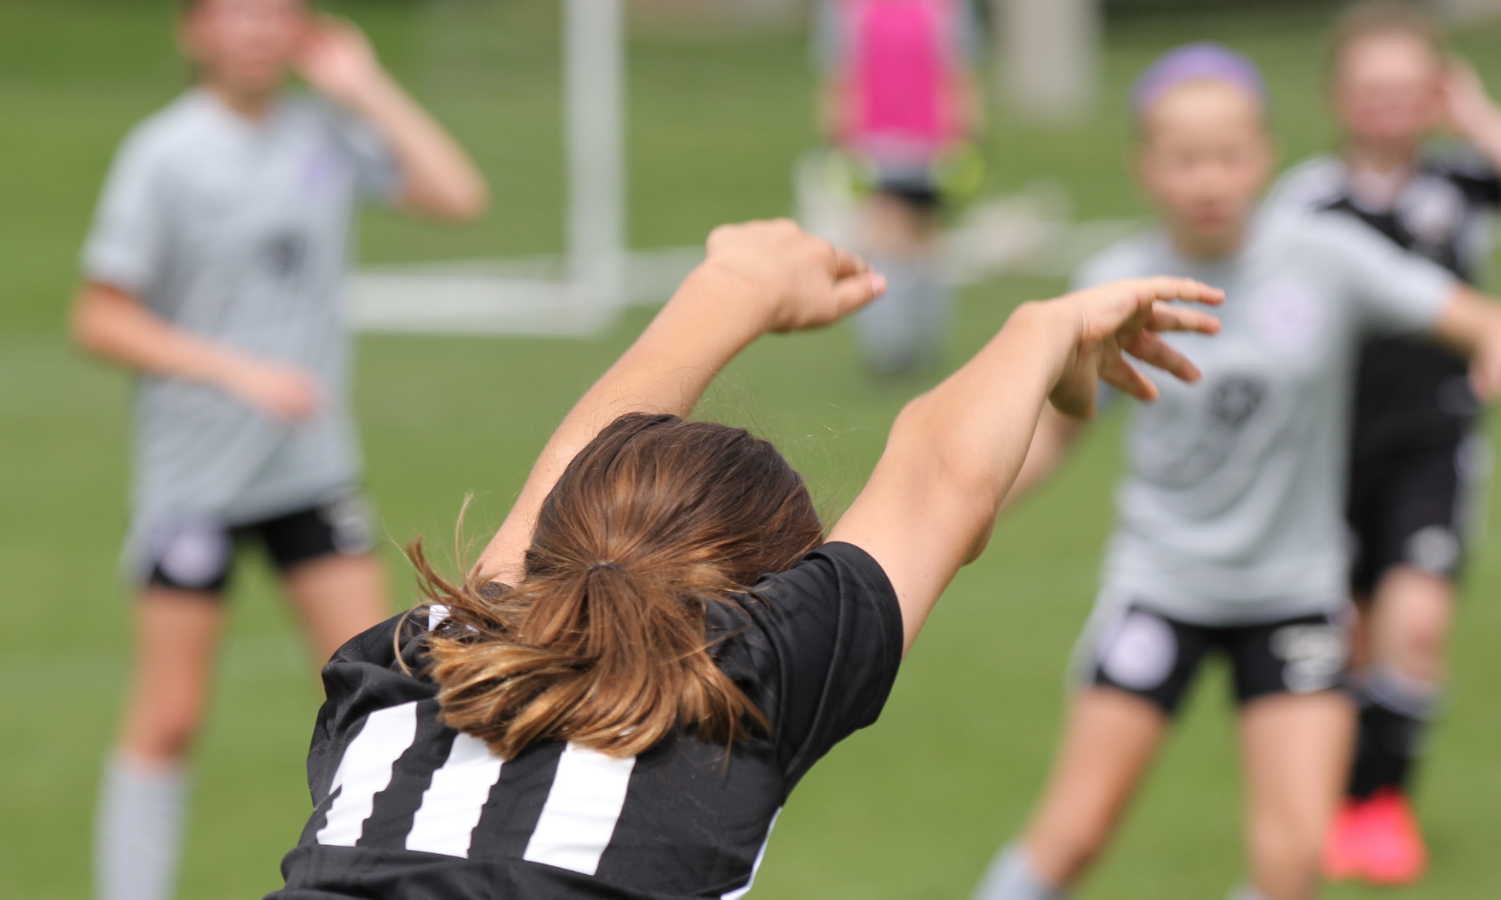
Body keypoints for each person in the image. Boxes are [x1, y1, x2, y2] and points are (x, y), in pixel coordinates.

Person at [259, 217, 1226, 899]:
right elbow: (938, 472)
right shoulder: (739, 682)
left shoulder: (417, 660)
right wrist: (1045, 328)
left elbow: (563, 508)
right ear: (761, 595)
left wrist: (732, 286)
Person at [968, 44, 1501, 900]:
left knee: (1292, 870)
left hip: (1294, 596)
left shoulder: (1330, 257)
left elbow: (1471, 317)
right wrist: (963, 511)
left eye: (1226, 155)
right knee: (1071, 839)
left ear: (1264, 156)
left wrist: (1489, 344)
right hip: (1163, 585)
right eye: (1183, 159)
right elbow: (1057, 436)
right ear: (1145, 168)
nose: (1207, 179)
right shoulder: (1110, 287)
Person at [68, 2, 487, 899]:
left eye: (278, 13)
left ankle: (383, 883)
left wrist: (367, 87)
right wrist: (233, 370)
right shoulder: (166, 154)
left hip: (310, 473)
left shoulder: (326, 134)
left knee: (385, 698)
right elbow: (99, 315)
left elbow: (459, 195)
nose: (259, 30)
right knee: (170, 717)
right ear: (195, 32)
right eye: (238, 13)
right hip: (198, 480)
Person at [1263, 2, 1501, 884]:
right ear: (1338, 97)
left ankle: (1381, 803)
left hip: (1434, 446)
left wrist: (1477, 120)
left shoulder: (1459, 187)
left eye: (1411, 91)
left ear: (1434, 94)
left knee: (1420, 622)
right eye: (1373, 91)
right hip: (1326, 454)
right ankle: (1344, 796)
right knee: (1350, 638)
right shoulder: (1305, 201)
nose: (1392, 107)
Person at [812, 0, 980, 375]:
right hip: (880, 147)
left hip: (927, 146)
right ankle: (897, 347)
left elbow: (956, 73)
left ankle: (908, 346)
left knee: (917, 246)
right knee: (896, 244)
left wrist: (966, 138)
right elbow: (842, 76)